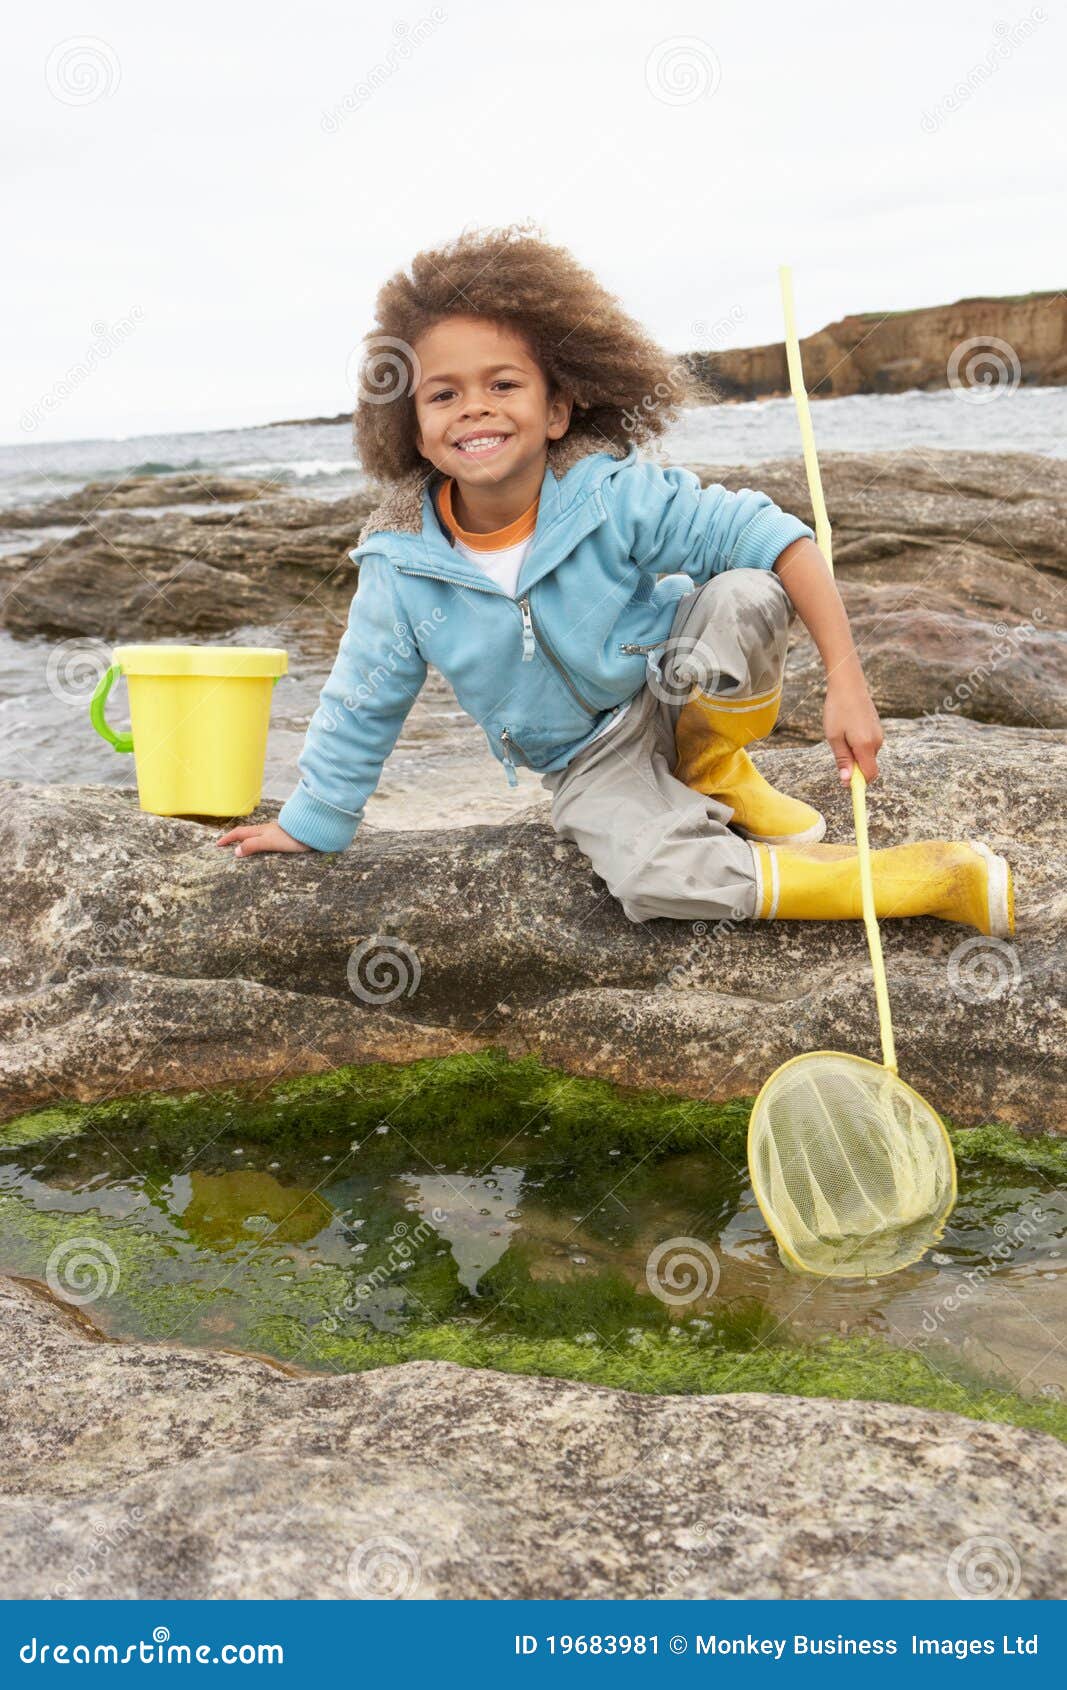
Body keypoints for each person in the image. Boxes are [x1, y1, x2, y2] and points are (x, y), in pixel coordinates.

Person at [217, 224, 1013, 938]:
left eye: (503, 385)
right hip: (589, 760)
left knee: (744, 591)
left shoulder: (610, 492)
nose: (474, 409)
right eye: (443, 394)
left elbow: (778, 540)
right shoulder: (401, 566)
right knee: (656, 881)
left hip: (670, 684)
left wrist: (847, 682)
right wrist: (315, 819)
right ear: (412, 425)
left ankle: (712, 766)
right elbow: (361, 699)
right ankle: (927, 879)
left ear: (557, 409)